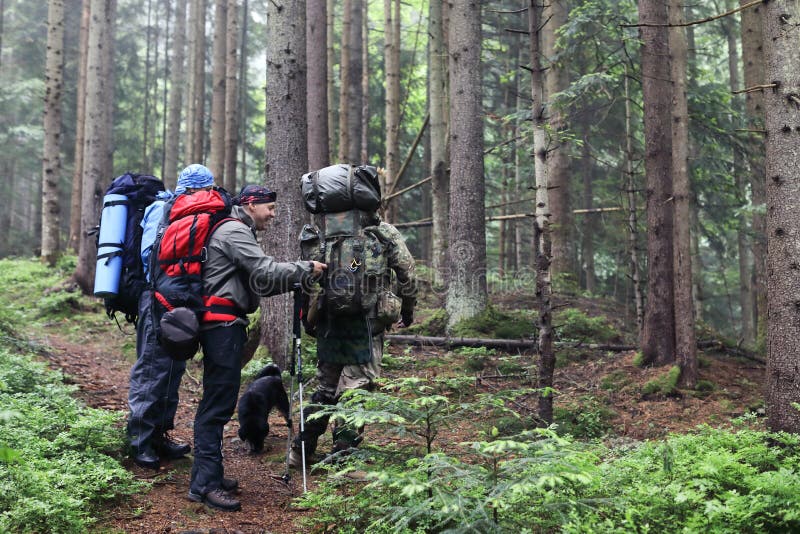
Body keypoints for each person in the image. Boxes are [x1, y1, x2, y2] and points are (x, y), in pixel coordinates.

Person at [187, 183, 326, 512]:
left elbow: (260, 281)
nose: (274, 215)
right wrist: (304, 268)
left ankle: (211, 475)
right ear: (250, 204)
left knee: (218, 403)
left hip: (224, 323)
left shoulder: (234, 231)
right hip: (221, 325)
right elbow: (264, 270)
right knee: (217, 406)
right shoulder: (235, 231)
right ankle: (203, 485)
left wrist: (295, 276)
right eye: (270, 208)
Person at [288, 209, 417, 468]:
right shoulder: (382, 233)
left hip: (330, 320)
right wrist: (408, 309)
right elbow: (407, 274)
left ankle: (300, 451)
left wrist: (308, 318)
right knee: (356, 389)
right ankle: (343, 460)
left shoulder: (323, 233)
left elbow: (308, 277)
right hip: (367, 324)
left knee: (326, 389)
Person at [127, 164, 216, 470]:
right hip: (155, 300)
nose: (208, 195)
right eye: (205, 189)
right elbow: (148, 256)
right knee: (152, 368)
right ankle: (140, 441)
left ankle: (160, 435)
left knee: (173, 368)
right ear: (193, 189)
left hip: (178, 302)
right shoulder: (159, 210)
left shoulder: (190, 212)